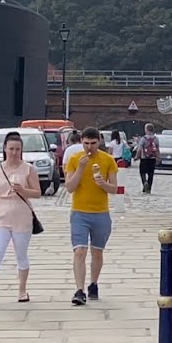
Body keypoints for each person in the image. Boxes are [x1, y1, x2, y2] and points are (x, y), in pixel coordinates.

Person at [0, 132, 40, 305]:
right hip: (1, 213)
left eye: (17, 149)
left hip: (21, 214)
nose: (14, 152)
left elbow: (37, 193)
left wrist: (23, 191)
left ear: (21, 150)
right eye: (11, 148)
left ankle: (22, 290)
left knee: (21, 254)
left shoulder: (29, 169)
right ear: (5, 149)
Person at [64, 127, 118, 306]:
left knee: (97, 252)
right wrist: (80, 169)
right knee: (79, 251)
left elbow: (114, 189)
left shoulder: (108, 160)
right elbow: (70, 187)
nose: (89, 147)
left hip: (101, 212)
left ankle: (93, 283)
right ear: (81, 142)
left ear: (99, 142)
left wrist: (103, 184)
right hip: (79, 211)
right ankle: (79, 290)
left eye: (93, 143)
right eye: (86, 143)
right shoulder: (73, 159)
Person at [138, 124, 160, 194]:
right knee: (151, 174)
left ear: (146, 129)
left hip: (144, 158)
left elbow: (139, 149)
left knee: (142, 172)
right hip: (152, 159)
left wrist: (137, 156)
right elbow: (157, 149)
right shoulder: (156, 139)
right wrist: (158, 157)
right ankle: (149, 188)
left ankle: (144, 182)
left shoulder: (143, 138)